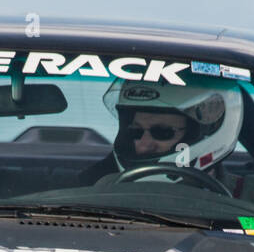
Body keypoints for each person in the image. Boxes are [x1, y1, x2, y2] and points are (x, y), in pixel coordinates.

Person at [79, 77, 243, 184]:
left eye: (163, 132)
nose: (143, 145)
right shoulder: (91, 189)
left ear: (204, 132)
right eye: (135, 132)